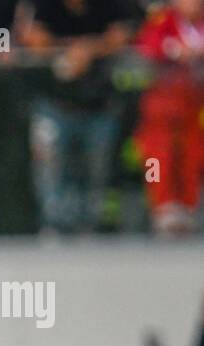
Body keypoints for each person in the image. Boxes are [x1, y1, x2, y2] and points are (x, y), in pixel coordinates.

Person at [20, 0, 136, 234]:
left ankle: (93, 224)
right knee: (50, 165)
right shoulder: (44, 5)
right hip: (54, 103)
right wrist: (70, 51)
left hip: (100, 104)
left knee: (99, 167)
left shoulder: (111, 6)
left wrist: (89, 50)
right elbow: (33, 38)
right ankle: (53, 223)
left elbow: (122, 36)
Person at [133, 0, 204, 236]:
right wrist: (175, 48)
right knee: (157, 157)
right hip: (161, 107)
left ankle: (189, 205)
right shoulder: (163, 20)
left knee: (192, 156)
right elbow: (147, 46)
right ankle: (161, 206)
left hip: (195, 107)